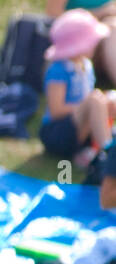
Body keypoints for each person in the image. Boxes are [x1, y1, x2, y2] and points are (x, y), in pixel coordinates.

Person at [39, 9, 116, 168]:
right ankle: (106, 155)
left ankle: (97, 148)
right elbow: (56, 110)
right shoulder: (58, 69)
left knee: (106, 100)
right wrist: (89, 103)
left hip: (78, 131)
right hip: (57, 133)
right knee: (95, 100)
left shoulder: (86, 65)